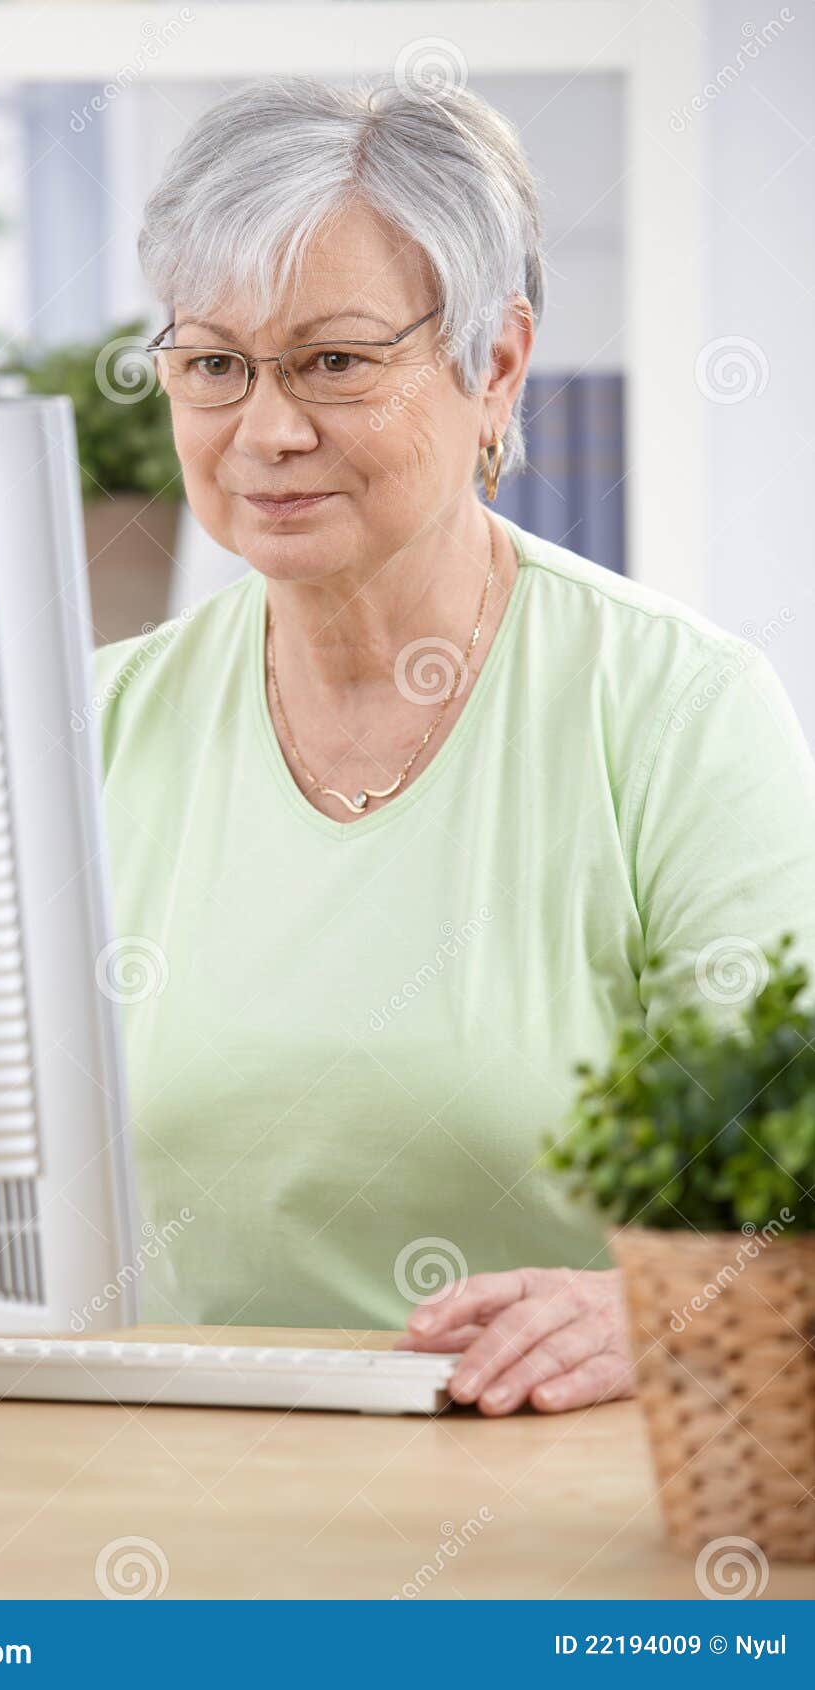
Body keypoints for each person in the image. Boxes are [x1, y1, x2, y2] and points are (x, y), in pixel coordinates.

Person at [92, 78, 815, 1414]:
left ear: (495, 362)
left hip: (551, 1482)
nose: (268, 429)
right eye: (214, 365)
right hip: (169, 1478)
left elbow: (789, 1193)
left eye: (335, 360)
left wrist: (658, 1311)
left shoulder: (677, 708)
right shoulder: (93, 728)